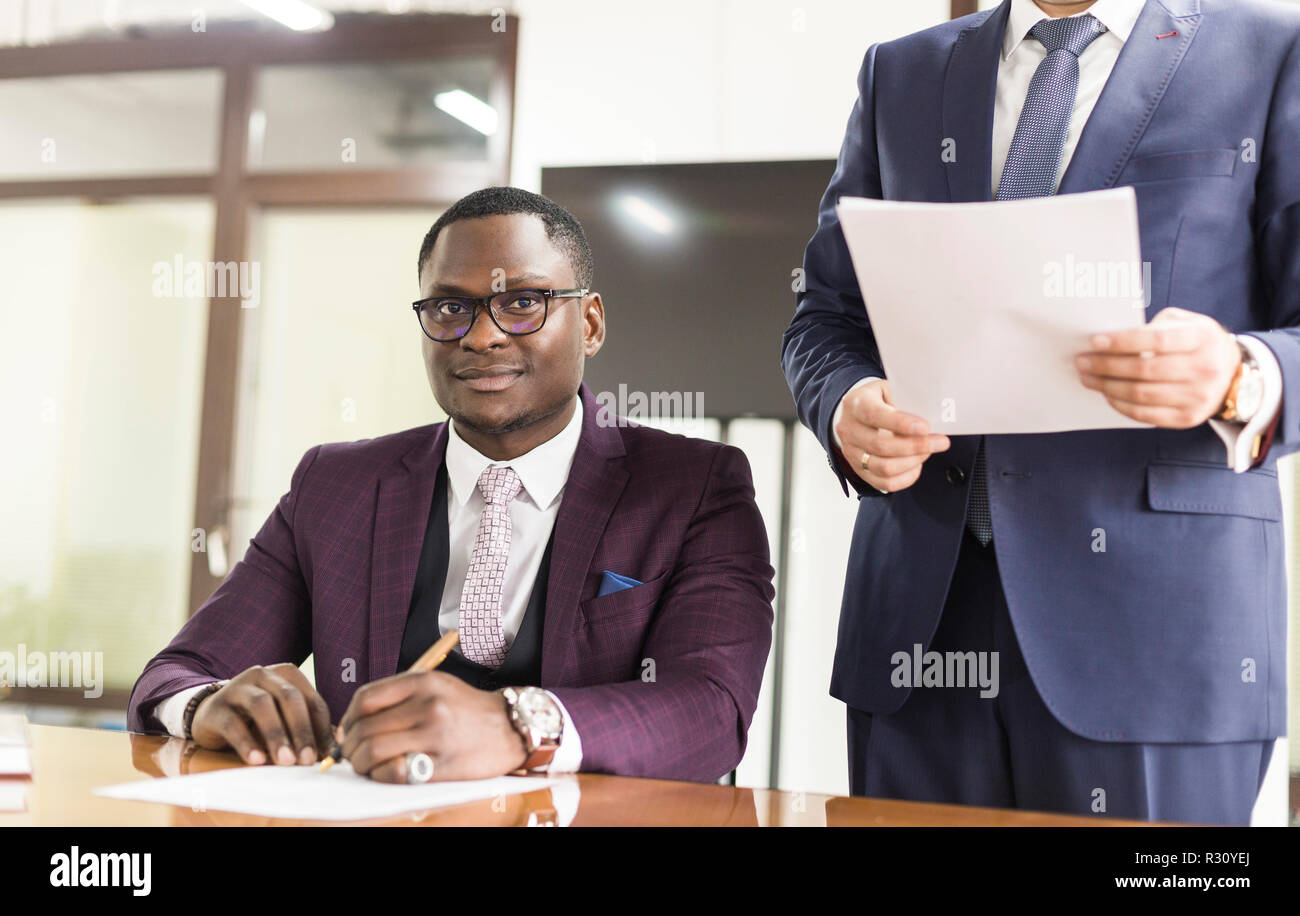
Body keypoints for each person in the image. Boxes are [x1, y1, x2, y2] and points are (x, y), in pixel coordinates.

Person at [783, 0, 1298, 823]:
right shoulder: (900, 71)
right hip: (922, 623)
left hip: (1155, 638)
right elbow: (827, 315)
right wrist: (844, 403)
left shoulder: (1273, 51)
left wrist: (1241, 374)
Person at [129, 187, 774, 784]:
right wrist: (208, 706)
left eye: (524, 302)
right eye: (449, 307)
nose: (483, 334)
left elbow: (713, 711)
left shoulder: (693, 487)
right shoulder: (335, 486)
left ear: (592, 324)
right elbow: (172, 675)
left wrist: (520, 726)